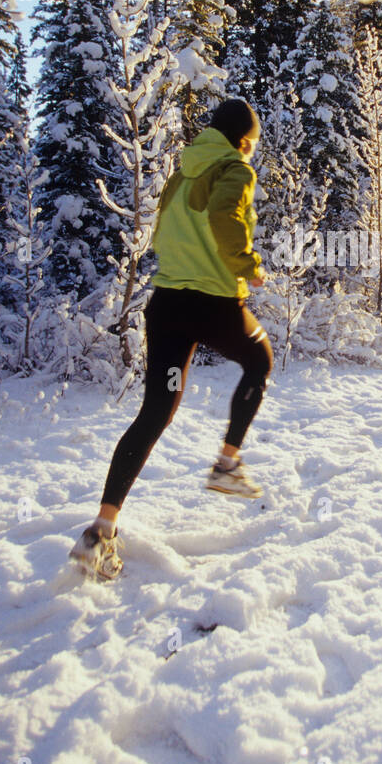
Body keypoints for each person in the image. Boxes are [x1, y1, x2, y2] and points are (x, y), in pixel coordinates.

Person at [69, 98, 273, 580]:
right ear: (244, 139)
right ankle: (227, 464)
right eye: (252, 143)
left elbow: (161, 235)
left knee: (155, 412)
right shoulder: (236, 170)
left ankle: (101, 529)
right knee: (260, 361)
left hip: (168, 307)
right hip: (215, 304)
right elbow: (225, 219)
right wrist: (247, 266)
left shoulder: (182, 173)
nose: (250, 151)